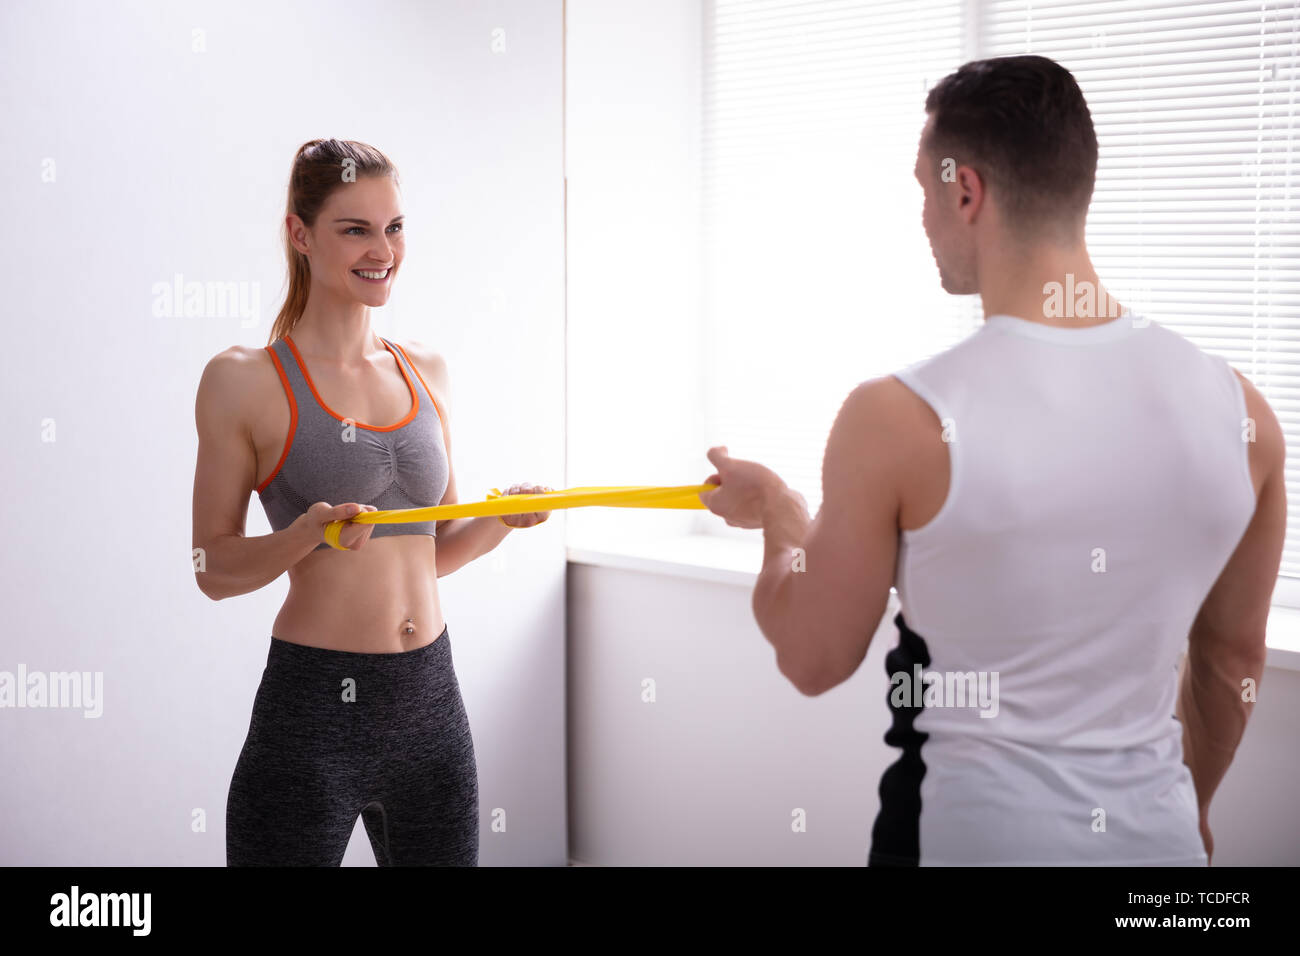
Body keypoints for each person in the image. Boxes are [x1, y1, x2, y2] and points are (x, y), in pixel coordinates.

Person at [698, 55, 1285, 865]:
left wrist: (781, 520)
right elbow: (1230, 659)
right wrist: (1189, 811)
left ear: (965, 191)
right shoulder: (1244, 415)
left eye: (922, 189)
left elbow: (813, 656)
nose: (924, 216)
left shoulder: (899, 417)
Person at [191, 138, 551, 866]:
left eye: (394, 227)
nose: (382, 249)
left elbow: (434, 549)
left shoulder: (427, 370)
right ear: (300, 234)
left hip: (430, 704)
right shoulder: (244, 380)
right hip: (313, 712)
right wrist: (307, 537)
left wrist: (498, 522)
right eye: (354, 229)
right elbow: (212, 567)